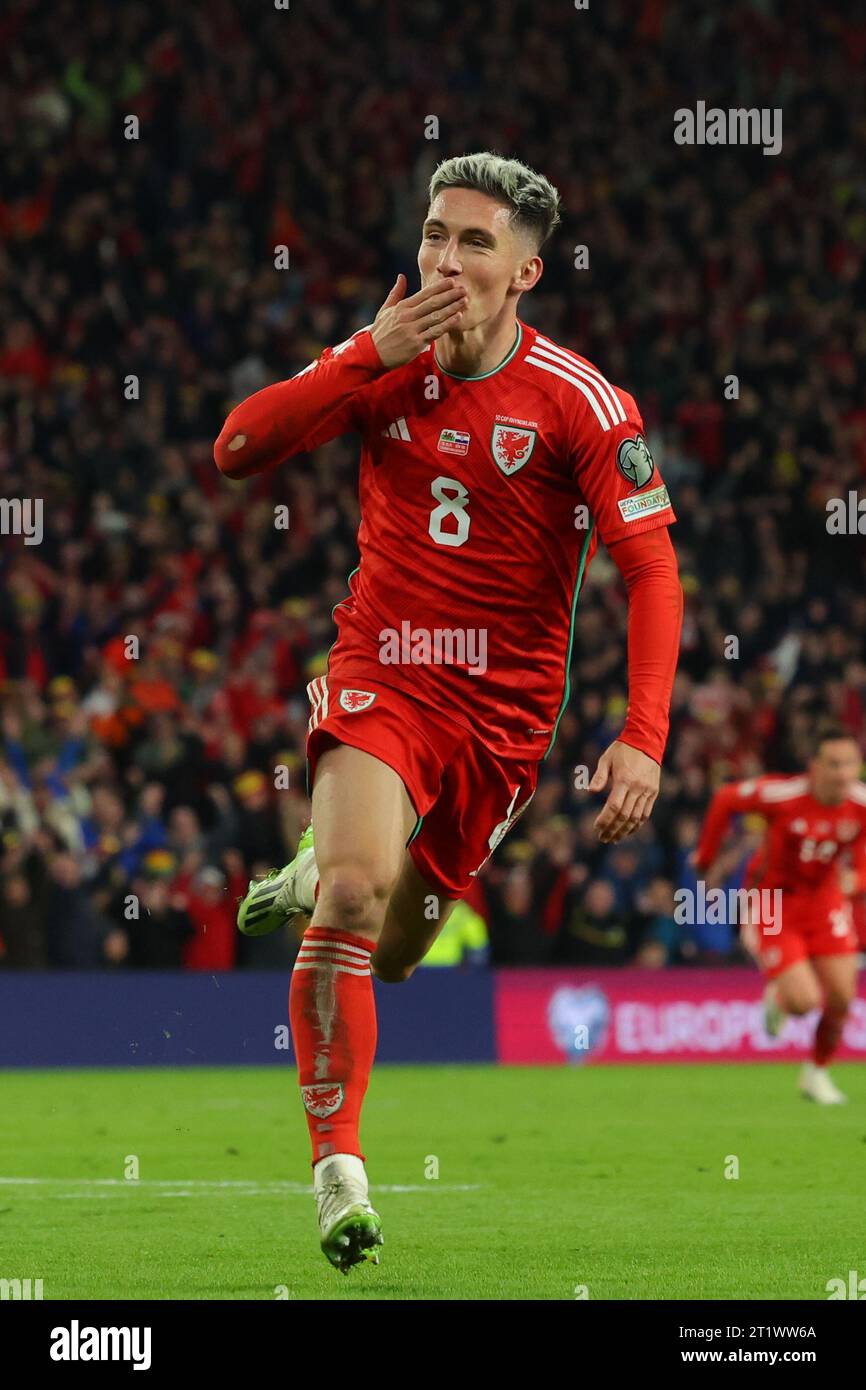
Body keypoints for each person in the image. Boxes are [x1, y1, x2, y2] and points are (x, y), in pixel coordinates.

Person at [215, 151, 683, 1271]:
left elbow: (650, 572)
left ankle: (311, 869)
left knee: (397, 951)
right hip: (385, 668)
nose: (445, 259)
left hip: (505, 721)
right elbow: (237, 450)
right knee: (355, 886)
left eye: (474, 243)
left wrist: (642, 733)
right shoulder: (382, 358)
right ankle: (338, 1174)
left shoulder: (579, 400)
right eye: (434, 234)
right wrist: (358, 356)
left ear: (522, 272)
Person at [694, 726, 866, 1104]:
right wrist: (705, 859)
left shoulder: (859, 804)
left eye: (850, 764)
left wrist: (859, 878)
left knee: (841, 997)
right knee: (805, 1002)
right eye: (833, 764)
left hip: (825, 902)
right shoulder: (784, 795)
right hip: (773, 902)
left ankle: (816, 1074)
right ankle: (781, 999)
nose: (842, 774)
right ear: (814, 767)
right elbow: (725, 798)